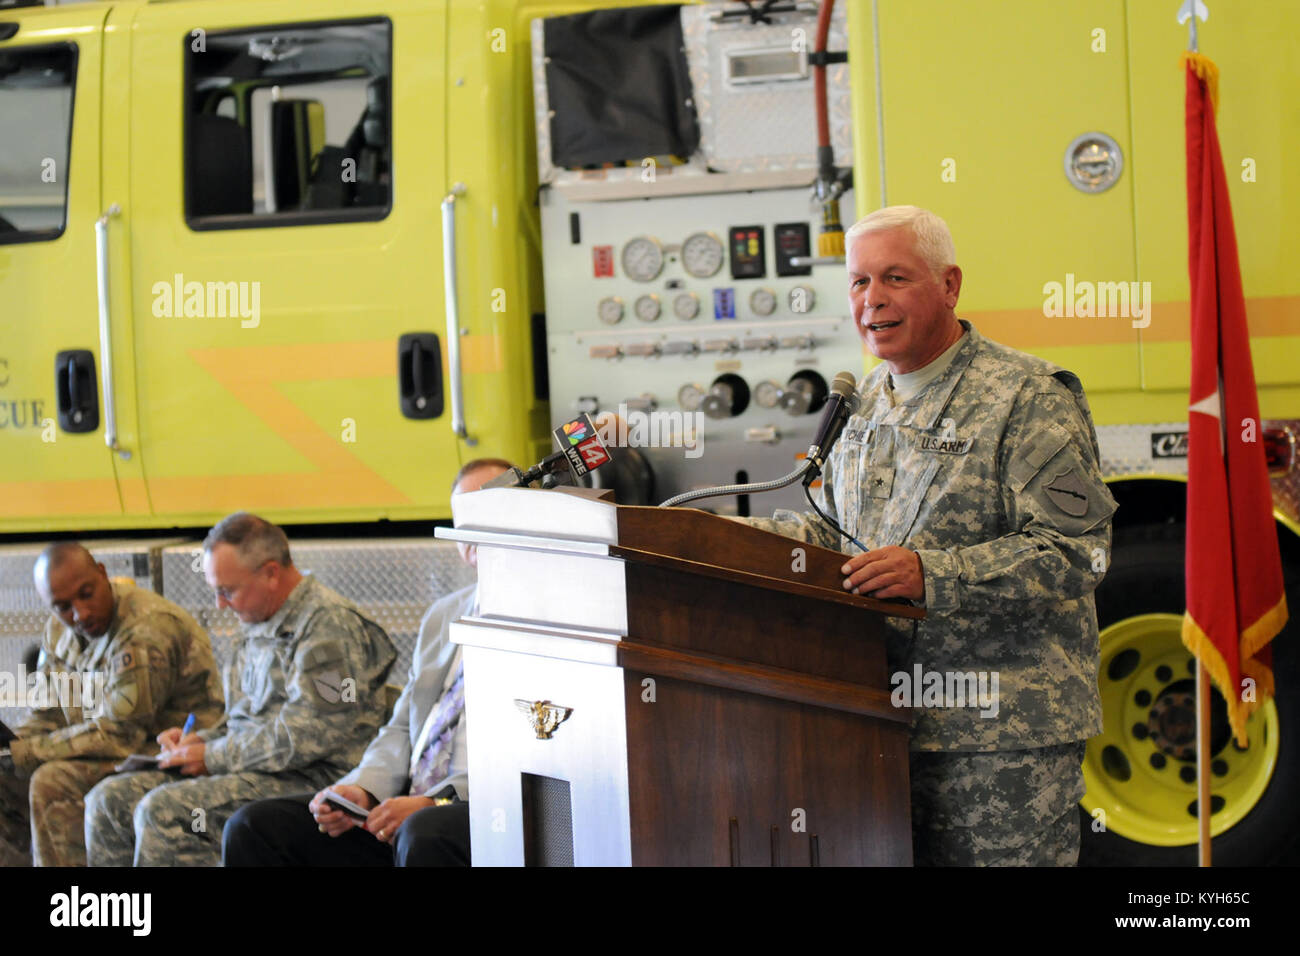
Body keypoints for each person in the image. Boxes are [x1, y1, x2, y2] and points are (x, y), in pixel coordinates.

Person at [740, 205, 1116, 865]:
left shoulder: (1028, 397)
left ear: (949, 285)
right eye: (858, 282)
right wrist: (708, 537)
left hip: (1001, 740)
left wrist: (934, 575)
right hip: (878, 726)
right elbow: (837, 537)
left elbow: (1078, 552)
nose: (872, 300)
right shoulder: (863, 405)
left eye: (894, 278)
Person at [222, 459, 512, 866]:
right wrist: (363, 789)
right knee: (254, 826)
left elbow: (535, 757)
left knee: (422, 831)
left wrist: (436, 799)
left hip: (487, 806)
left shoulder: (553, 620)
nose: (477, 531)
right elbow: (401, 727)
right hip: (406, 805)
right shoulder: (444, 616)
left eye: (491, 510)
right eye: (466, 518)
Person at [83, 513, 397, 866]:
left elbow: (311, 733)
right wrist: (201, 741)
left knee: (165, 813)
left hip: (313, 780)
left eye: (227, 591)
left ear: (271, 573)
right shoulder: (260, 617)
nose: (220, 604)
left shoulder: (328, 626)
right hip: (257, 770)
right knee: (106, 801)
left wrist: (215, 755)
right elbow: (245, 717)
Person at [0, 543, 223, 867]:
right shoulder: (59, 629)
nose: (80, 613)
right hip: (105, 748)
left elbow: (120, 736)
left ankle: (72, 906)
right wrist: (11, 748)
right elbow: (48, 715)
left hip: (168, 752)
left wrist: (30, 752)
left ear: (103, 575)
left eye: (86, 594)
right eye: (63, 606)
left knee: (54, 779)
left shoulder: (145, 630)